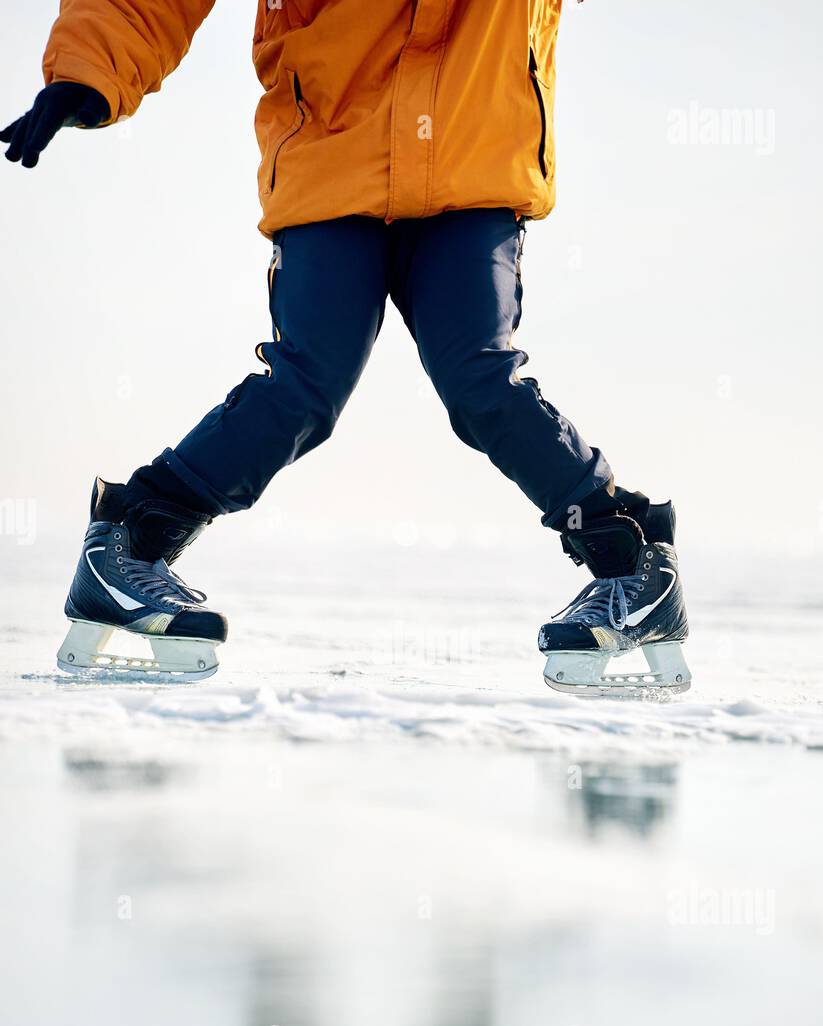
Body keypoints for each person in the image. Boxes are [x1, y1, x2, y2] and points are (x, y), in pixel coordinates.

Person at [2, 0, 689, 691]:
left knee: (480, 380)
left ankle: (631, 563)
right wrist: (90, 67)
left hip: (473, 165)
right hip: (331, 162)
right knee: (305, 384)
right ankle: (129, 548)